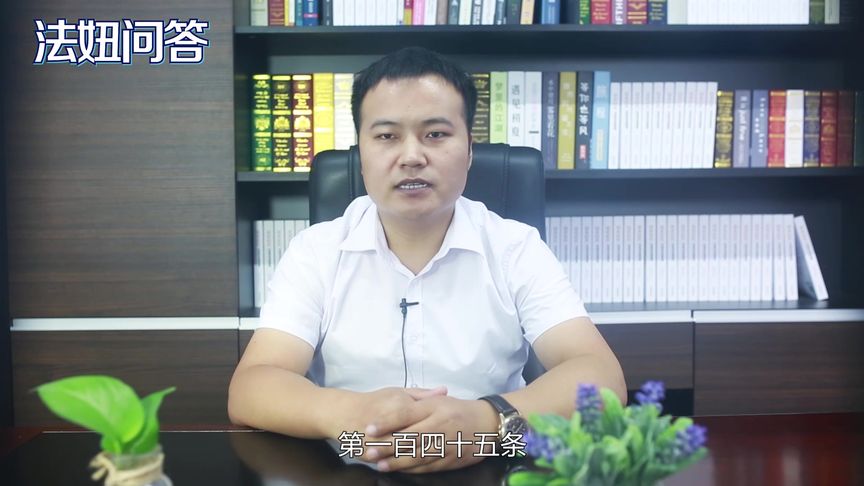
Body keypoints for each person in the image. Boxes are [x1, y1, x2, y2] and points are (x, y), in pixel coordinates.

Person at [228, 47, 626, 474]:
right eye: (386, 136)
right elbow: (252, 387)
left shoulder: (516, 248)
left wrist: (488, 419)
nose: (412, 156)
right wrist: (348, 413)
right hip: (350, 470)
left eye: (435, 134)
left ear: (469, 150)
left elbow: (602, 377)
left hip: (490, 465)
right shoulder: (316, 251)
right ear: (360, 154)